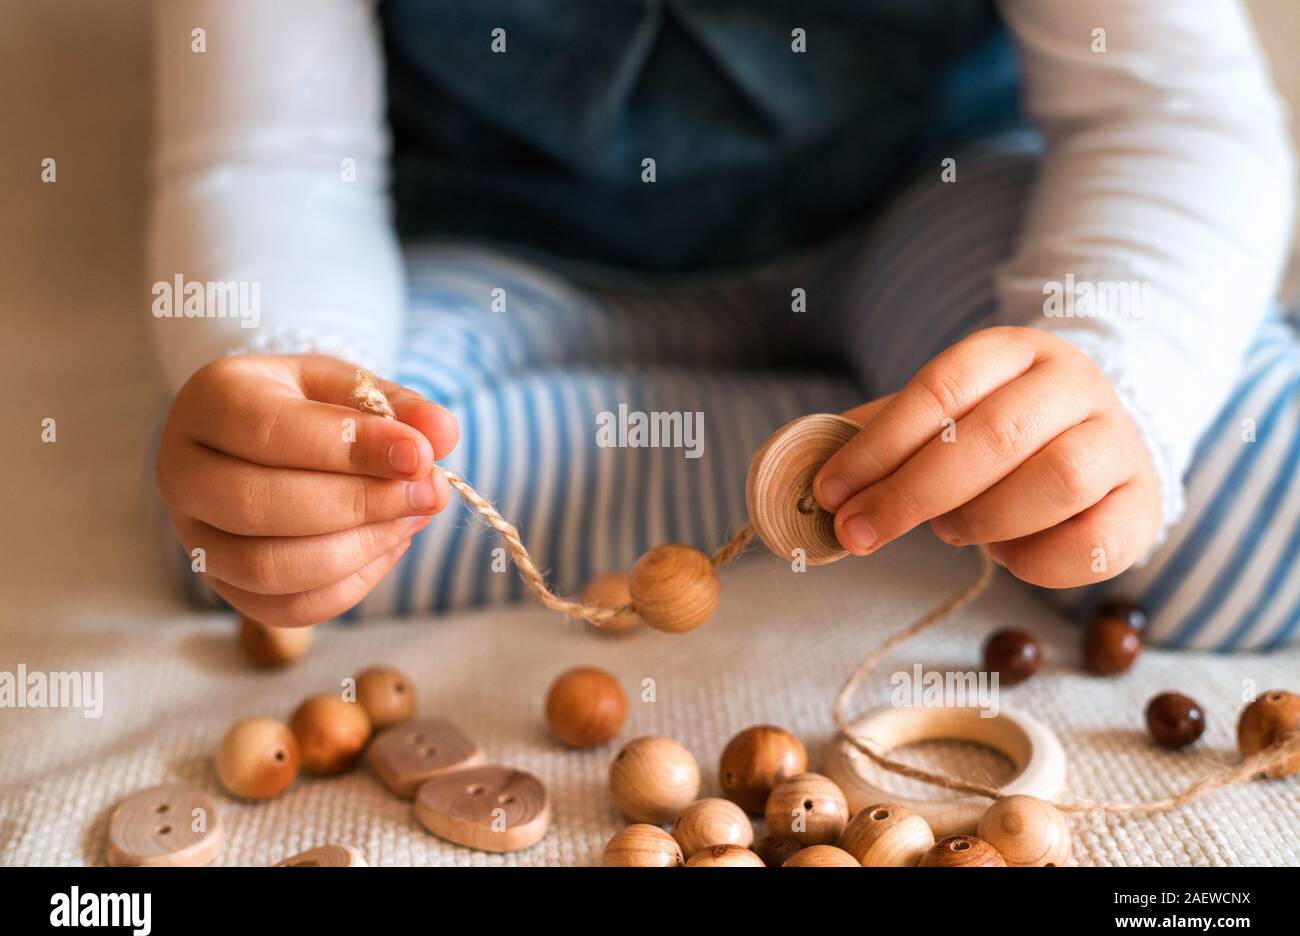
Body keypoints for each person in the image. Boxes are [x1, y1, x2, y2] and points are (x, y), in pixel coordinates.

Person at [150, 1, 1297, 651]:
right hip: (513, 252)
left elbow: (1167, 106)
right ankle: (829, 455)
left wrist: (1113, 372)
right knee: (285, 532)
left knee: (1243, 513)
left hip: (921, 208)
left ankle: (867, 452)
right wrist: (290, 369)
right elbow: (276, 162)